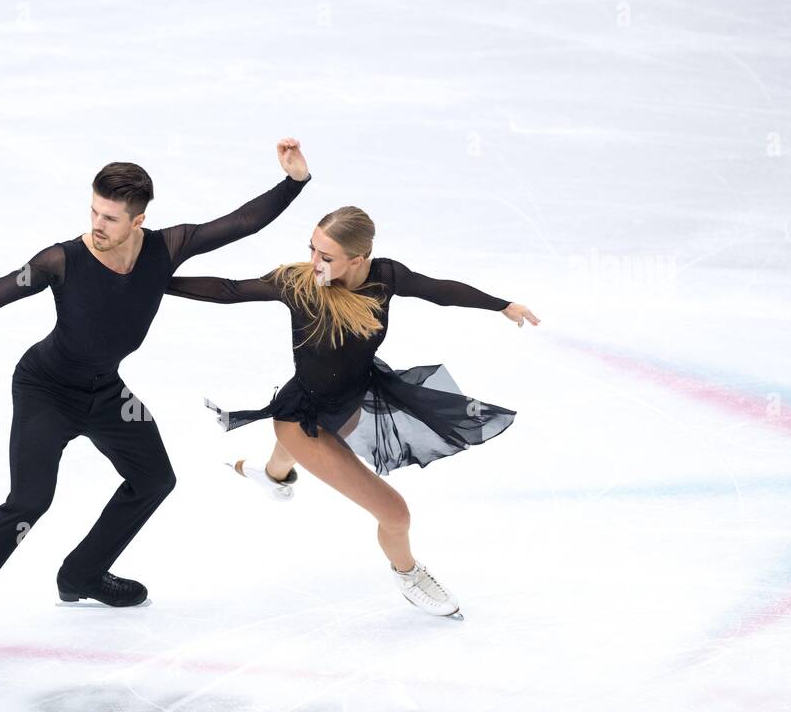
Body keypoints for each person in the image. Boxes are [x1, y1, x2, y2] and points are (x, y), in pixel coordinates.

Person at [0, 140, 312, 679]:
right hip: (46, 389)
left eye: (110, 218)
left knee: (154, 479)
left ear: (138, 219)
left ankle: (83, 573)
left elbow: (241, 223)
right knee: (29, 502)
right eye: (94, 211)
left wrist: (294, 183)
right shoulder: (63, 260)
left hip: (105, 393)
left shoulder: (167, 248)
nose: (97, 225)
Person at [165, 205, 540, 618]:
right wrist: (154, 283)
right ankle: (408, 573)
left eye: (326, 257)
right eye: (312, 250)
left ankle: (271, 475)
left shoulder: (386, 277)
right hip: (302, 419)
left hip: (353, 403)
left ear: (358, 260)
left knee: (294, 460)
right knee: (395, 513)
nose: (314, 263)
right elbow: (229, 290)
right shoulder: (299, 285)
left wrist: (502, 305)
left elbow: (440, 290)